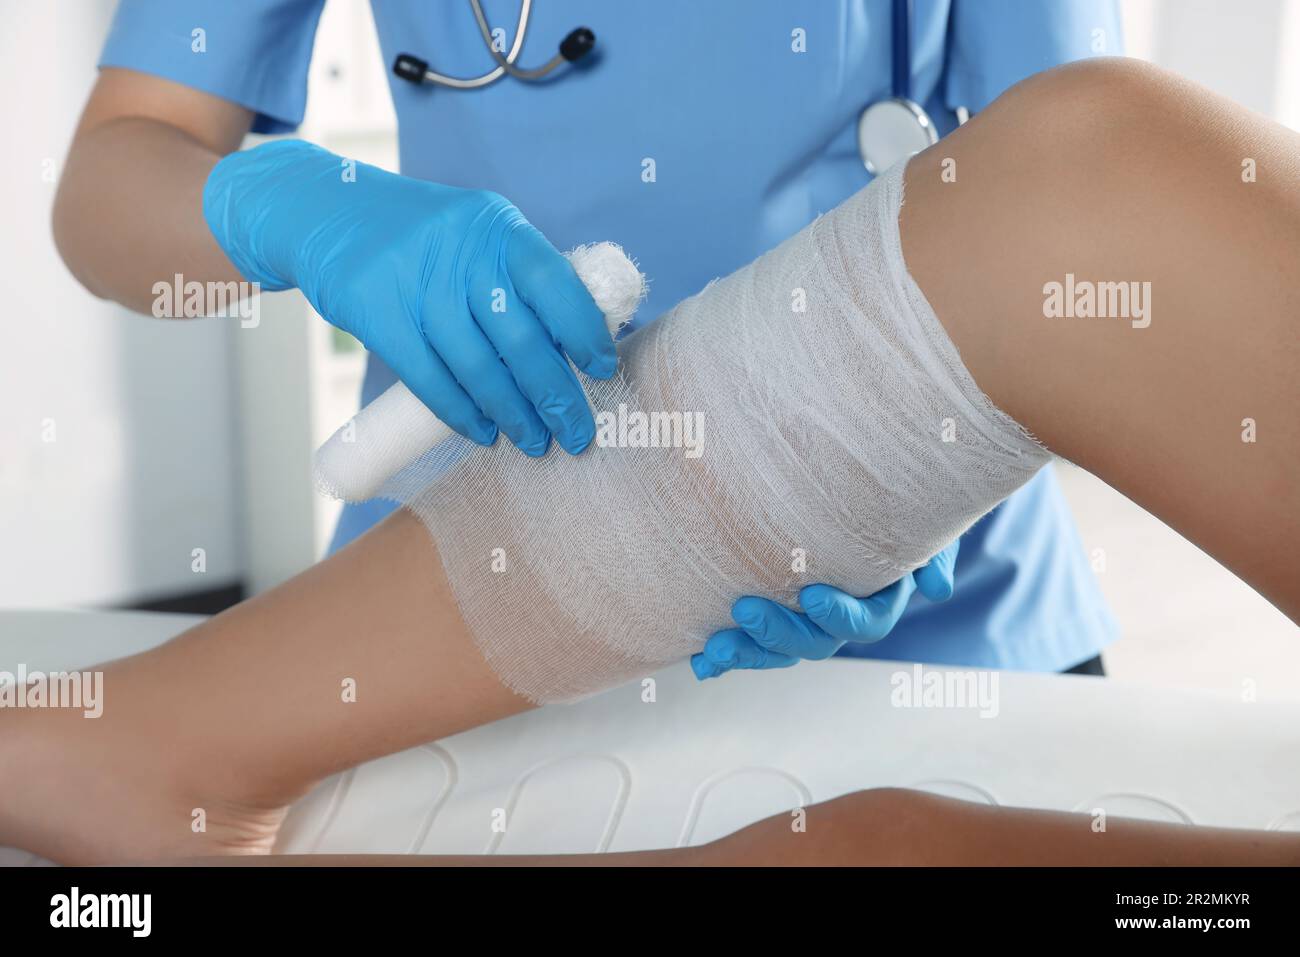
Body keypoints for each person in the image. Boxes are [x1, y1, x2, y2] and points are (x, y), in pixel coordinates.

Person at [9, 56, 1298, 865]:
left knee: (1085, 180)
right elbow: (109, 196)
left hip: (922, 602)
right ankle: (157, 746)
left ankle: (146, 748)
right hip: (434, 603)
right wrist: (280, 206)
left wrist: (909, 455)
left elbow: (1098, 280)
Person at [52, 0, 1125, 678]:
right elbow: (106, 190)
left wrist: (930, 468)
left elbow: (1083, 193)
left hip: (914, 565)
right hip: (474, 568)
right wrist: (288, 208)